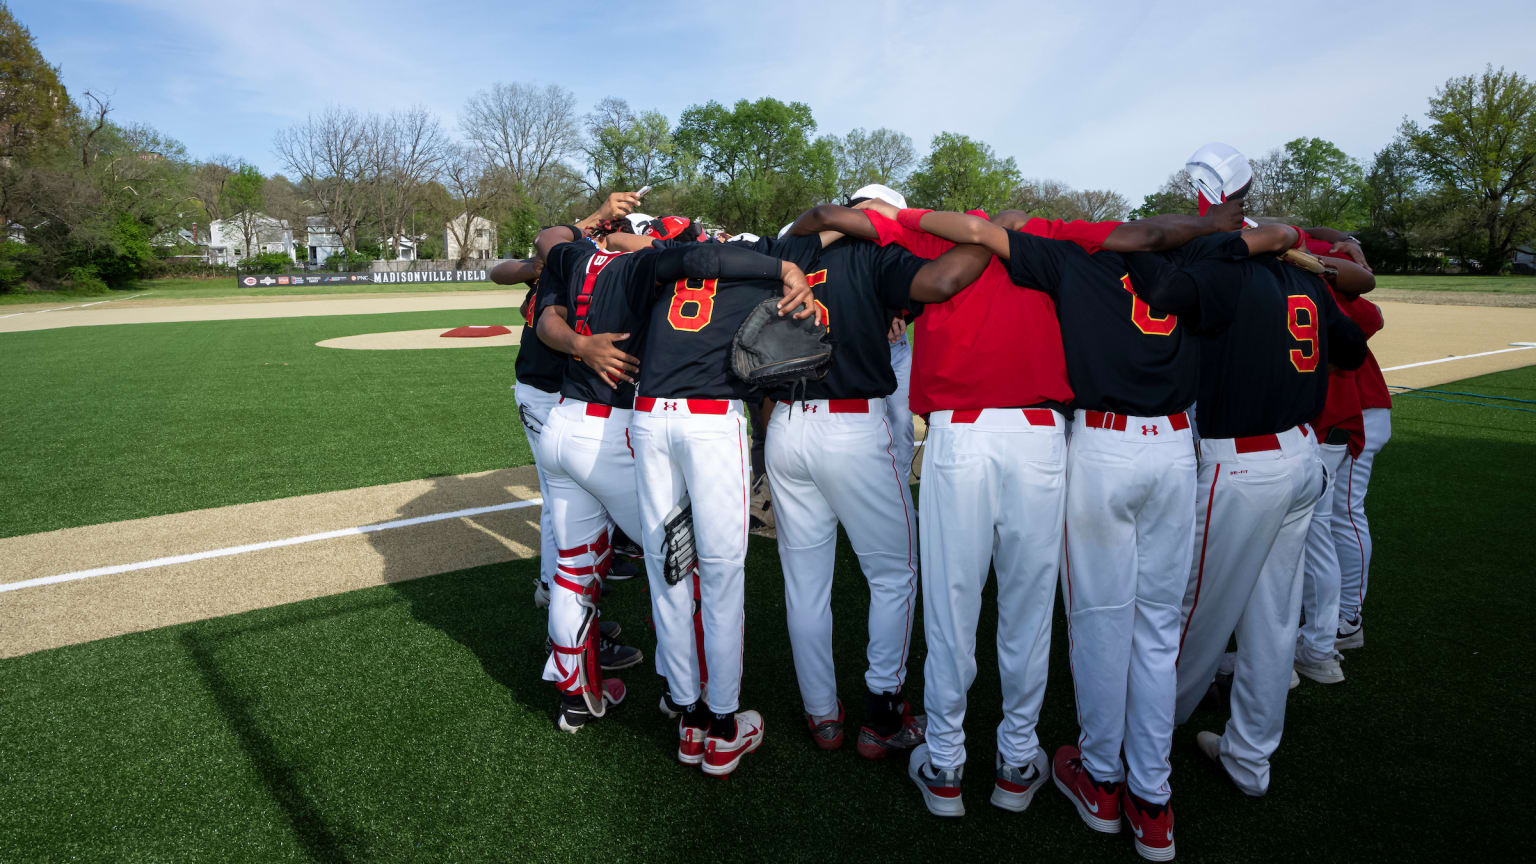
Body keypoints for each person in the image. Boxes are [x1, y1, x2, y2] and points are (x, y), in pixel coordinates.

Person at [839, 199, 1235, 820]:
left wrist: (830, 216)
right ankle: (1017, 761)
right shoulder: (1058, 234)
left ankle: (945, 761)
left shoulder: (929, 232)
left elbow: (859, 220)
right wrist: (1214, 226)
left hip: (961, 436)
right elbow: (1150, 232)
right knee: (1028, 610)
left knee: (952, 605)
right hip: (1042, 435)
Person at [1125, 161, 1369, 797]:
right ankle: (1249, 758)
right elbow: (1350, 349)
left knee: (1190, 610)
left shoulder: (1226, 272)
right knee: (1272, 617)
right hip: (1302, 458)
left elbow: (1160, 294)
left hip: (1241, 463)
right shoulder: (1301, 279)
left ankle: (1144, 737)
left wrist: (1148, 241)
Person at [746, 203, 991, 759]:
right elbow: (943, 280)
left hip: (785, 423)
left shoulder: (787, 250)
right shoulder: (875, 251)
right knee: (894, 573)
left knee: (806, 582)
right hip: (852, 425)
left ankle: (821, 712)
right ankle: (883, 712)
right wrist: (990, 237)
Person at [618, 230, 817, 776]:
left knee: (668, 568)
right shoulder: (760, 281)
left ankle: (686, 713)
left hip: (652, 416)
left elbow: (698, 257)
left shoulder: (663, 271)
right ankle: (723, 722)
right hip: (710, 420)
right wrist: (784, 270)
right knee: (724, 570)